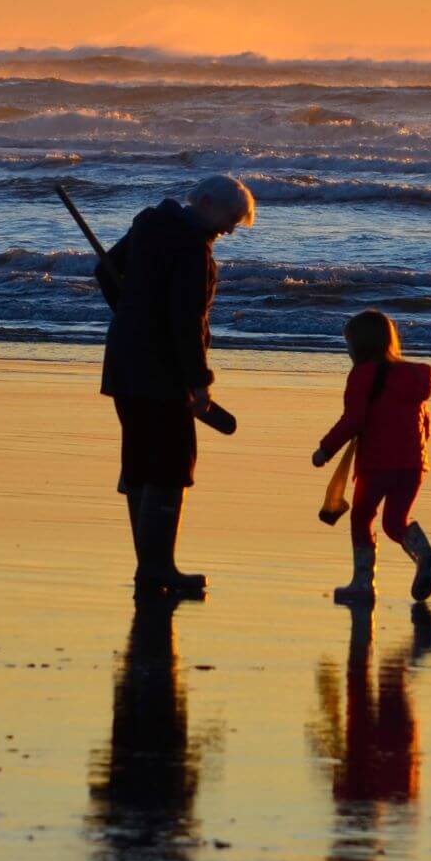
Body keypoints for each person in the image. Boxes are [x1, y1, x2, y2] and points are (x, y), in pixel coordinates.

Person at [97, 174, 255, 598]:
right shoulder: (192, 248)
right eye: (230, 218)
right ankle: (158, 569)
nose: (231, 229)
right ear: (204, 202)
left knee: (140, 464)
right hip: (162, 375)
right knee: (169, 466)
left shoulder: (149, 226)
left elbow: (105, 272)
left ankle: (150, 568)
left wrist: (132, 315)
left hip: (125, 364)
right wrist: (199, 383)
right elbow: (187, 323)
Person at [311, 309, 431, 605]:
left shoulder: (362, 376)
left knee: (362, 517)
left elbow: (353, 419)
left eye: (349, 345)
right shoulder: (412, 378)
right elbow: (426, 424)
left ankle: (363, 583)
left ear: (360, 346)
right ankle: (423, 553)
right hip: (413, 466)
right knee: (395, 522)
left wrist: (325, 450)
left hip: (377, 465)